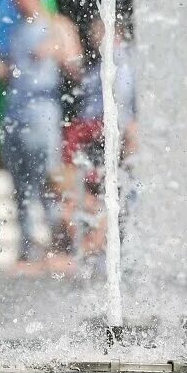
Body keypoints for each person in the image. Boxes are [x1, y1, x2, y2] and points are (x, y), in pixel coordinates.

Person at [0, 0, 82, 265]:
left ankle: (61, 245)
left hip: (43, 115)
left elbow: (77, 68)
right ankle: (29, 249)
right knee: (21, 185)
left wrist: (57, 50)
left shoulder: (56, 25)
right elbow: (6, 73)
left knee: (50, 182)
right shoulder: (13, 30)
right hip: (15, 114)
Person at [59, 17, 138, 257]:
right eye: (94, 34)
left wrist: (123, 133)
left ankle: (98, 247)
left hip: (105, 134)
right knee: (93, 193)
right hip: (91, 136)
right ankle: (93, 248)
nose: (95, 38)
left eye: (99, 33)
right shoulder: (101, 65)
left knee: (109, 192)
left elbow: (122, 104)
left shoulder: (120, 63)